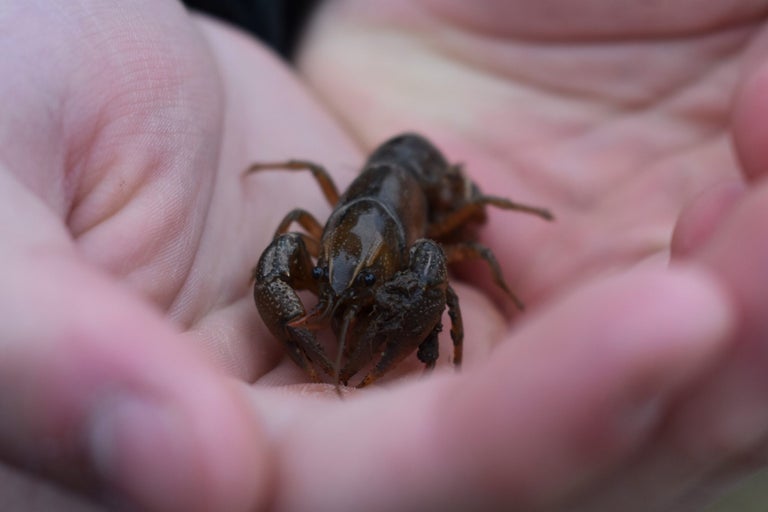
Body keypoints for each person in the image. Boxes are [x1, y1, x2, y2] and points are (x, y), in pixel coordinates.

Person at [1, 1, 767, 510]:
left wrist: (457, 309)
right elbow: (287, 246)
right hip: (372, 186)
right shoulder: (319, 235)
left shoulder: (416, 251)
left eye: (356, 279)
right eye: (328, 270)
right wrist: (304, 327)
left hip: (417, 173)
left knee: (458, 245)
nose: (330, 285)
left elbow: (450, 260)